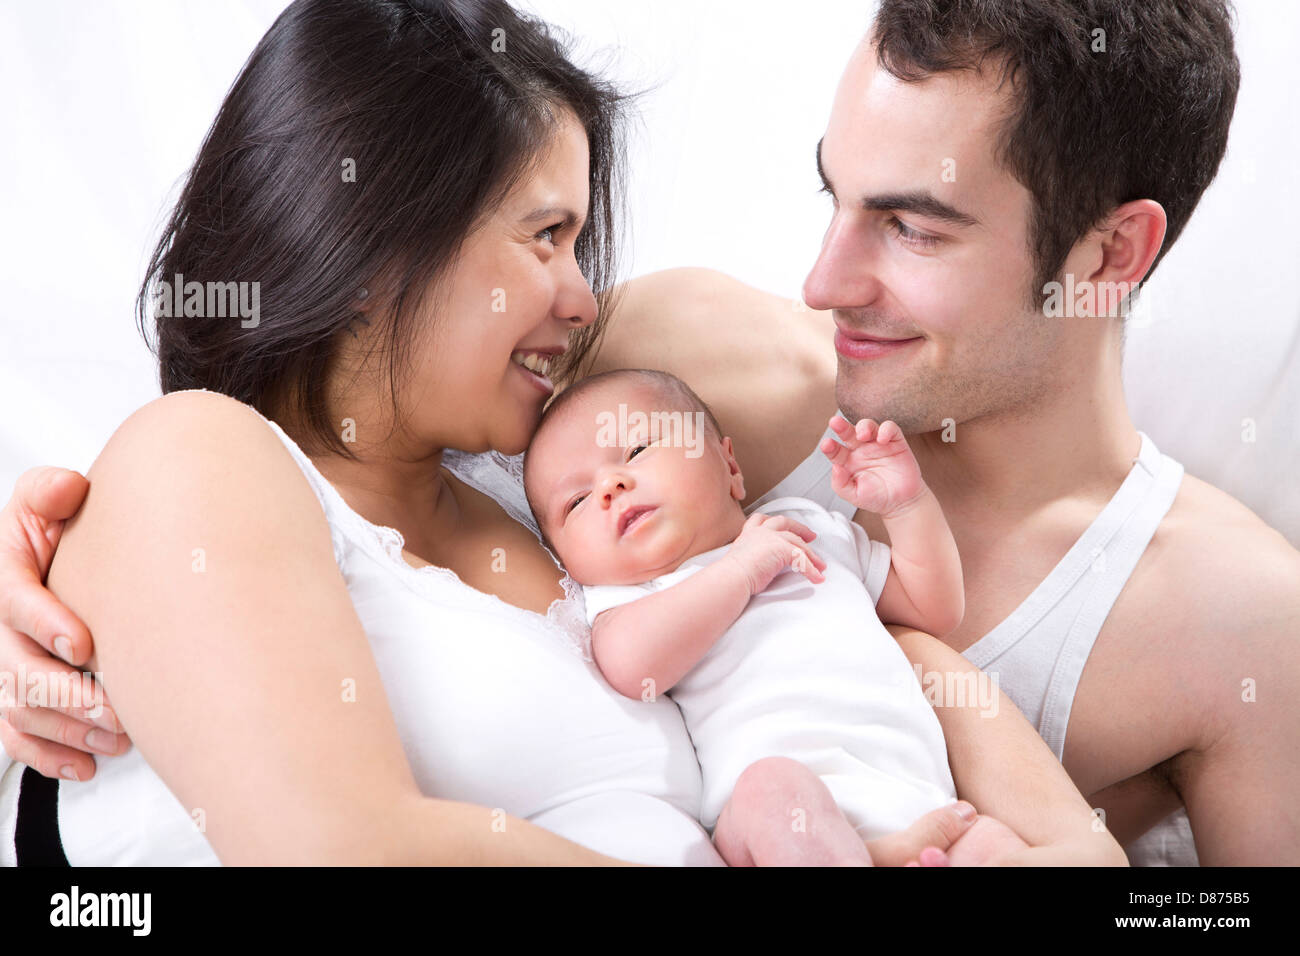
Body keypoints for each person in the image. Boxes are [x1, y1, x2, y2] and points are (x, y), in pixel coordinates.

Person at [0, 0, 1124, 866]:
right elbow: (345, 852)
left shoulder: (558, 486)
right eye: (546, 236)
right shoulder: (198, 456)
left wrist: (1062, 840)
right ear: (376, 240)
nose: (582, 298)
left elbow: (836, 595)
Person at [574, 0, 1300, 865]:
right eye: (832, 194)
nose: (822, 282)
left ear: (1109, 253)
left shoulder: (1240, 623)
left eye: (912, 228)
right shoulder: (673, 365)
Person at [522, 367, 1035, 866]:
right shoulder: (631, 600)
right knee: (772, 787)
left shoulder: (808, 526)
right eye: (577, 501)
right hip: (776, 821)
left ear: (730, 468)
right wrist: (740, 571)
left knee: (995, 843)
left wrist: (906, 506)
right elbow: (633, 667)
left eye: (636, 450)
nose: (611, 485)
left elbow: (935, 609)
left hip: (917, 806)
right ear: (568, 561)